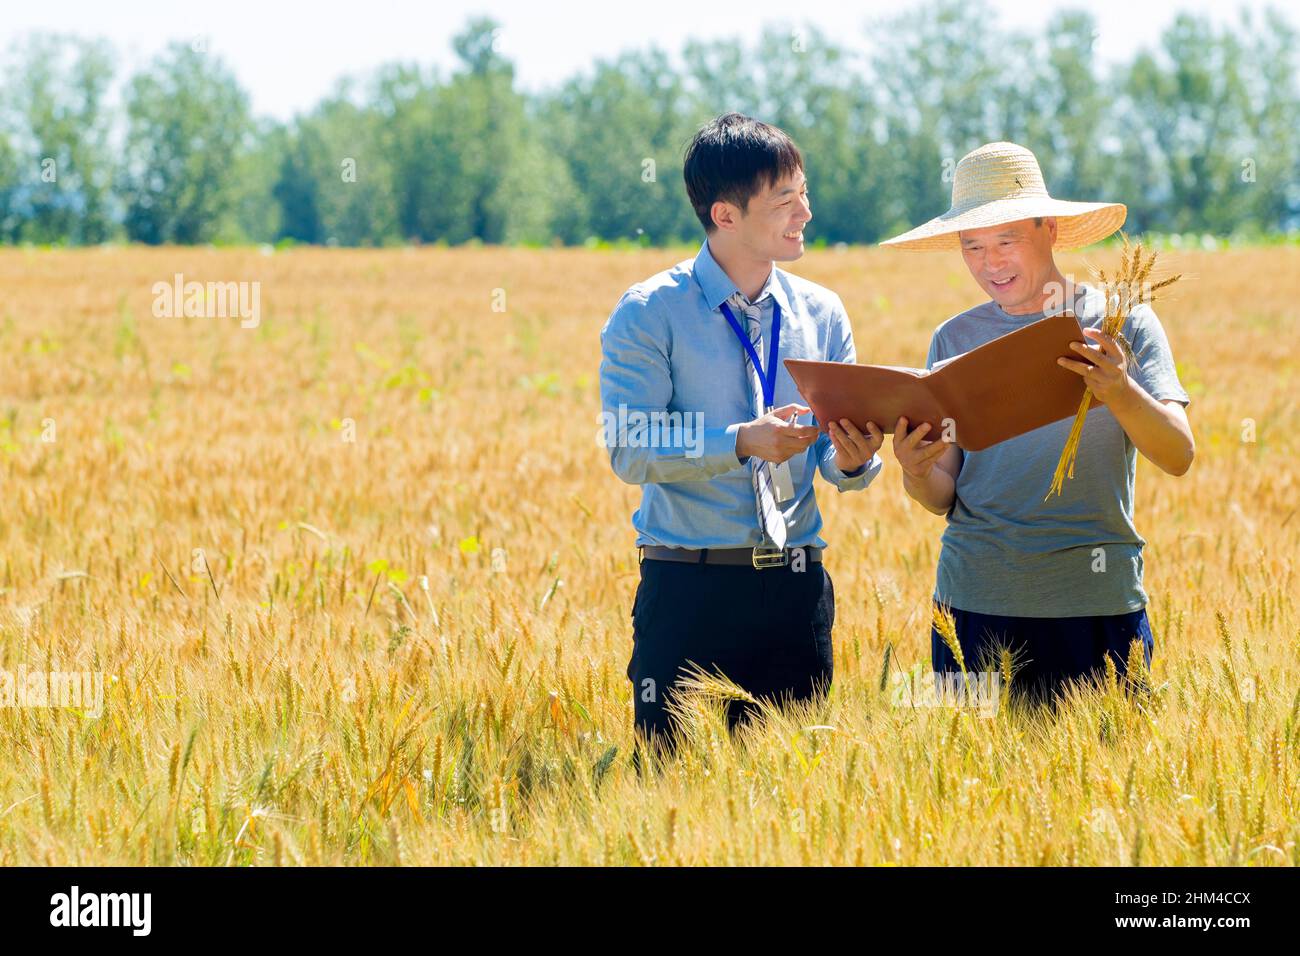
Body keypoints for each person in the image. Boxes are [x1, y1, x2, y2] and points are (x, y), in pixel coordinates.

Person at [599, 112, 884, 757]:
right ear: (725, 216)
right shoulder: (648, 313)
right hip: (688, 591)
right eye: (785, 200)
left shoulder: (822, 312)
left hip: (797, 590)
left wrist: (853, 458)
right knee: (670, 799)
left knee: (794, 803)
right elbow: (628, 445)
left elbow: (843, 468)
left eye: (804, 193)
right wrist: (740, 440)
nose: (805, 212)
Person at [881, 141, 1194, 705]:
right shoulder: (953, 339)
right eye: (972, 246)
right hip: (972, 606)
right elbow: (941, 495)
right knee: (974, 787)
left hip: (1097, 603)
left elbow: (1178, 455)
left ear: (1049, 229)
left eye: (1006, 241)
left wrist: (1120, 392)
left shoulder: (1122, 322)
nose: (990, 262)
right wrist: (912, 469)